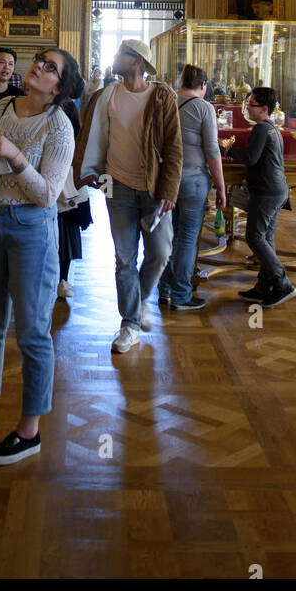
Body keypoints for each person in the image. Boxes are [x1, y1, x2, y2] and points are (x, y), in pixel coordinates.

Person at [0, 49, 83, 466]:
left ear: (59, 87)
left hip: (32, 230)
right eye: (40, 60)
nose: (39, 67)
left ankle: (29, 430)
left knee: (32, 332)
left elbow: (49, 194)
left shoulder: (60, 127)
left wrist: (15, 156)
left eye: (51, 68)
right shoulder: (0, 107)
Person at [73, 38, 182, 354]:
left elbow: (175, 148)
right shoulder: (107, 94)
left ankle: (141, 300)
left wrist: (169, 190)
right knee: (124, 259)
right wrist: (91, 171)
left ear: (135, 62)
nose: (115, 58)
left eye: (120, 54)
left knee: (160, 253)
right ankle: (130, 324)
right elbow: (91, 136)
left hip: (154, 187)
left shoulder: (162, 97)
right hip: (115, 185)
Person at [159, 64, 227, 311]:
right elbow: (212, 150)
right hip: (193, 180)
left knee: (170, 236)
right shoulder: (203, 107)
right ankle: (181, 294)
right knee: (187, 238)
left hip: (168, 180)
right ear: (203, 85)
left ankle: (164, 289)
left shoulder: (167, 104)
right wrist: (220, 187)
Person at [237, 86, 296, 309]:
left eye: (250, 105)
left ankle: (282, 282)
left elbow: (250, 159)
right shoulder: (271, 128)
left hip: (267, 190)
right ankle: (264, 287)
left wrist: (229, 149)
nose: (247, 109)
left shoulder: (262, 129)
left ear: (263, 109)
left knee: (254, 237)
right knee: (266, 239)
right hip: (275, 189)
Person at [55, 99, 92, 299]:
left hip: (65, 193)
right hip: (64, 194)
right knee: (65, 238)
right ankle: (61, 280)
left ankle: (61, 279)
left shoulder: (64, 105)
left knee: (64, 236)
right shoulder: (66, 106)